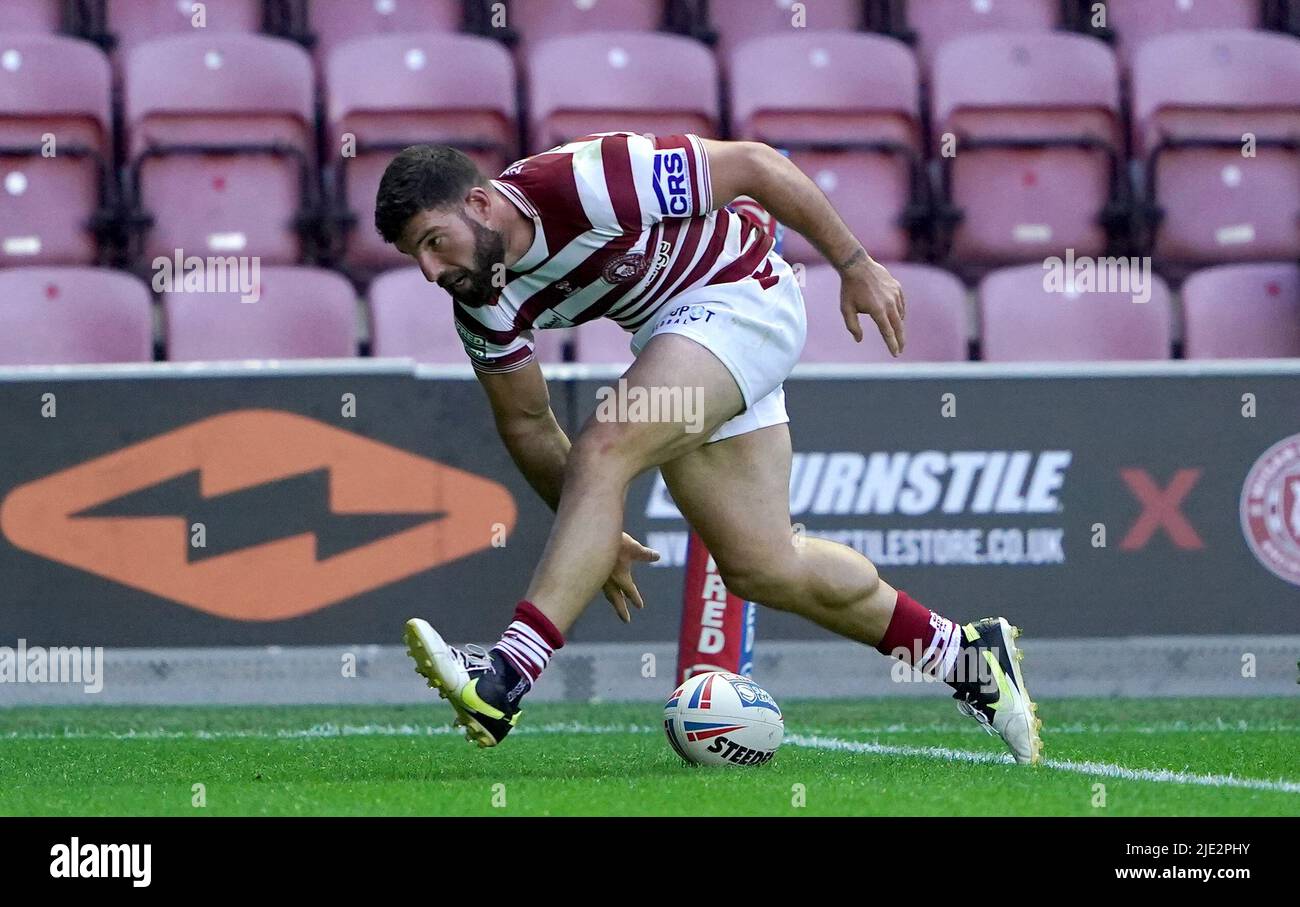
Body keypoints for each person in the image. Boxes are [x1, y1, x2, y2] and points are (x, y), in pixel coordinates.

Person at [374, 132, 1042, 765]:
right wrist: (590, 529)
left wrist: (854, 263)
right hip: (682, 335)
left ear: (481, 203)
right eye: (417, 257)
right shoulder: (480, 300)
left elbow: (755, 165)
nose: (432, 270)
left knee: (607, 443)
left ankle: (504, 678)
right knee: (763, 564)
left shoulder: (587, 180)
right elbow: (526, 422)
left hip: (743, 296)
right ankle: (966, 656)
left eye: (435, 241)